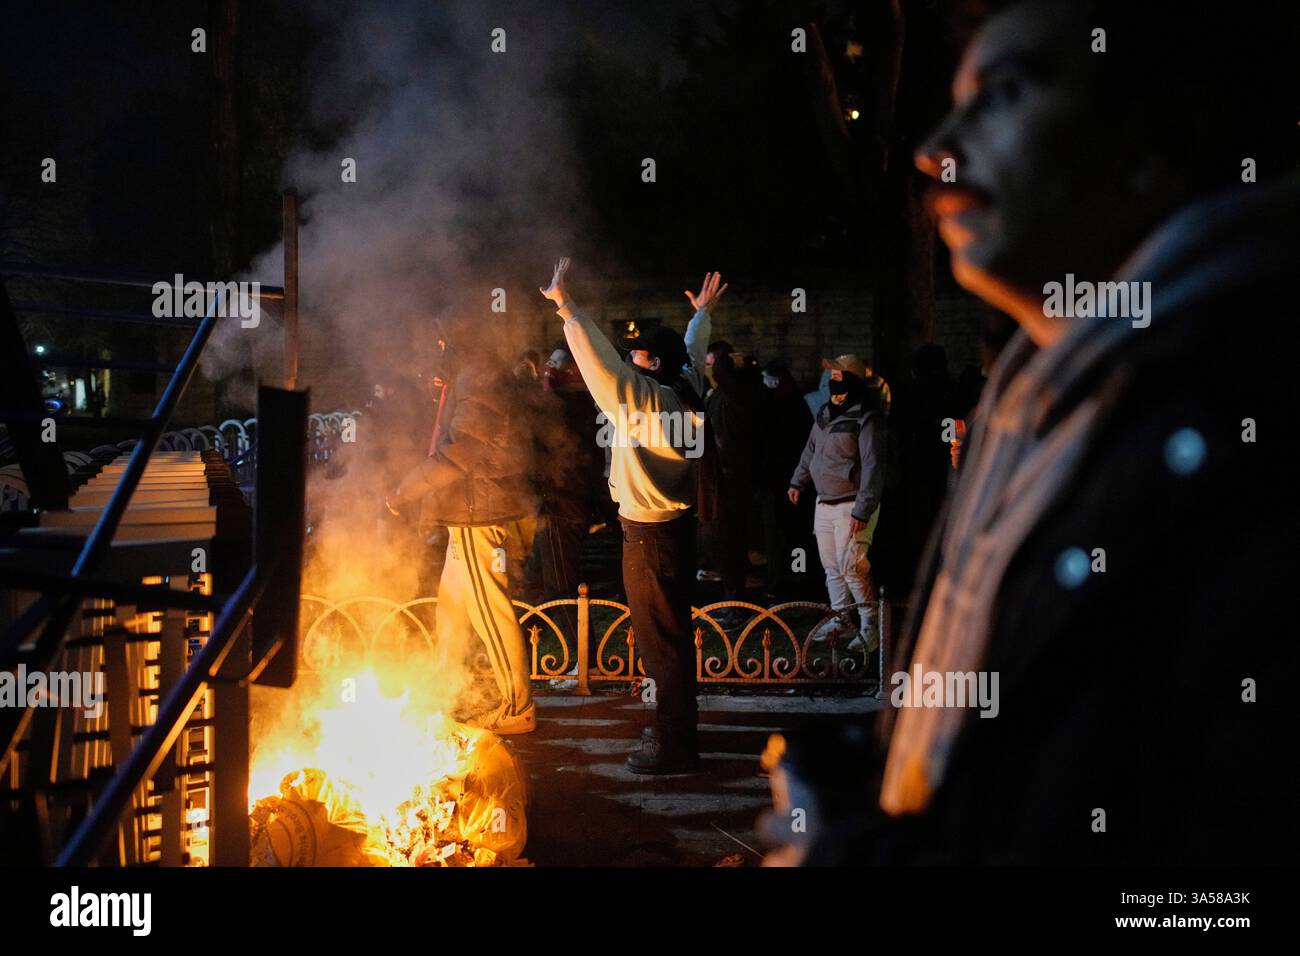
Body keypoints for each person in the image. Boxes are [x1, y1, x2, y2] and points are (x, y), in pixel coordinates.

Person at [796, 0, 1297, 865]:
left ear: (1160, 137)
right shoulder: (1038, 388)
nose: (934, 148)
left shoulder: (1248, 412)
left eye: (1003, 94)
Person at [539, 258, 726, 774]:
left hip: (648, 540)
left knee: (662, 647)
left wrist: (566, 307)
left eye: (638, 354)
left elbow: (599, 363)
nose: (630, 359)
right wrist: (702, 315)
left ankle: (674, 747)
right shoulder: (686, 387)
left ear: (651, 367)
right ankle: (675, 733)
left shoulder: (641, 402)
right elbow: (688, 353)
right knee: (671, 639)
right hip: (673, 533)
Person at [385, 336, 538, 735]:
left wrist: (404, 490)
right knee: (451, 610)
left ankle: (518, 707)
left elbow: (457, 454)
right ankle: (443, 692)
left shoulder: (479, 383)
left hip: (476, 513)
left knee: (489, 610)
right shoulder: (470, 380)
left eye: (442, 341)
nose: (436, 349)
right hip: (467, 512)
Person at [788, 354, 885, 651]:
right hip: (824, 503)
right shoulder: (825, 413)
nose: (833, 381)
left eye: (839, 376)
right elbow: (811, 450)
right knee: (832, 567)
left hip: (851, 505)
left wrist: (863, 508)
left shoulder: (866, 418)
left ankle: (871, 626)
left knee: (852, 567)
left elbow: (873, 466)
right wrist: (798, 480)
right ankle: (842, 620)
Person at [757, 359, 814, 598]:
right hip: (786, 483)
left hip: (789, 484)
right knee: (788, 537)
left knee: (791, 537)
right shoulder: (790, 406)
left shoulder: (787, 408)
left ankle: (790, 581)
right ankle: (788, 579)